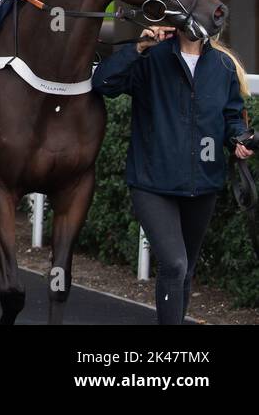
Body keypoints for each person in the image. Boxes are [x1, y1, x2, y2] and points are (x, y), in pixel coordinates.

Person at [92, 23, 251, 324]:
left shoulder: (223, 65)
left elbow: (232, 116)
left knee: (186, 270)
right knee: (175, 265)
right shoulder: (152, 58)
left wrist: (238, 139)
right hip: (152, 184)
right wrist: (138, 48)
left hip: (203, 184)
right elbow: (103, 83)